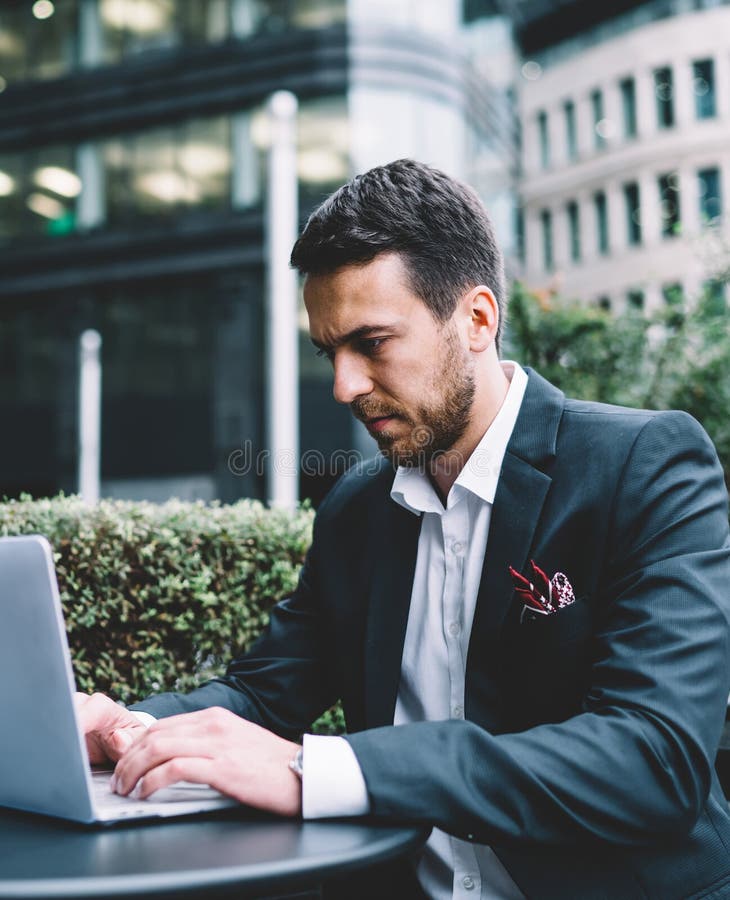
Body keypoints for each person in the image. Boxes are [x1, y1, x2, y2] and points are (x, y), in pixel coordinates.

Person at [77, 159, 730, 899]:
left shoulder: (643, 464)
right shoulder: (357, 510)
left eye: (373, 342)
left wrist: (322, 771)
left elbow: (655, 759)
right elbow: (263, 694)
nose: (344, 386)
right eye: (330, 352)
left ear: (477, 320)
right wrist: (123, 726)